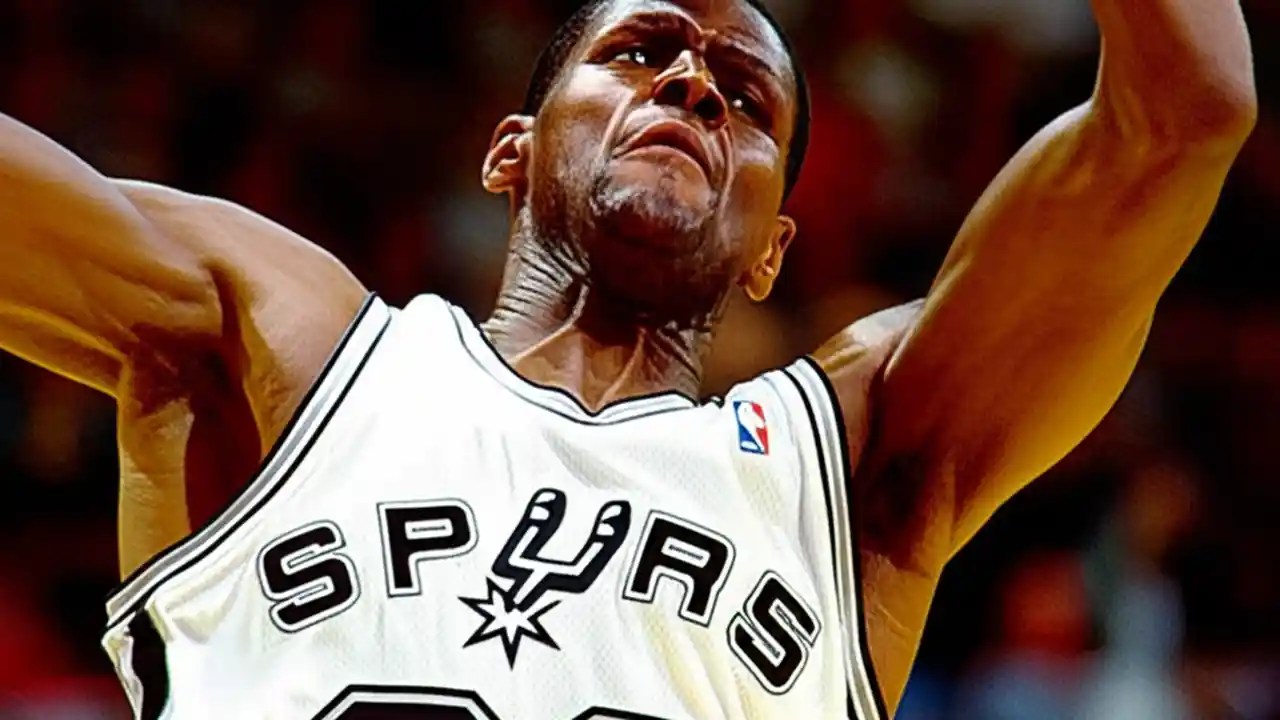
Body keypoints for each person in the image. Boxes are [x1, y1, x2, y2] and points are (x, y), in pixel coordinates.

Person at [0, 0, 1255, 717]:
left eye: (745, 100)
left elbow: (1183, 114)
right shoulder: (291, 342)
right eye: (637, 53)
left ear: (770, 251)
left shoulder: (848, 463)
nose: (694, 86)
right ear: (509, 152)